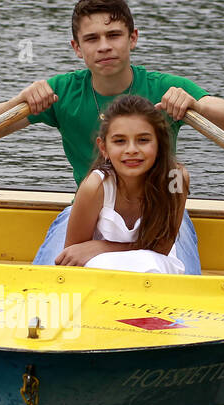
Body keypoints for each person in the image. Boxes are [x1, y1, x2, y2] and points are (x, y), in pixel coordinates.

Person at [0, 0, 224, 273]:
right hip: (88, 212)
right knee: (50, 278)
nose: (104, 46)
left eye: (114, 35)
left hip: (162, 212)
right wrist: (20, 100)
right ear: (77, 48)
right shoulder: (62, 91)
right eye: (92, 39)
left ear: (133, 38)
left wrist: (197, 105)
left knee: (181, 283)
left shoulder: (164, 88)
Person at [57, 95, 188, 274]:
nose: (132, 150)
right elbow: (73, 255)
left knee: (151, 262)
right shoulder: (95, 186)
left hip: (156, 266)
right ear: (104, 148)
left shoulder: (175, 178)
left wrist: (102, 247)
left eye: (143, 140)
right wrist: (99, 252)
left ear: (159, 143)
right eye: (120, 141)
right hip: (102, 270)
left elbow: (162, 248)